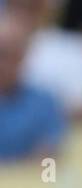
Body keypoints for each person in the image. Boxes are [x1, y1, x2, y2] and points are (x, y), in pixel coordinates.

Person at [0, 10, 66, 162]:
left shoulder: (45, 103)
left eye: (5, 54)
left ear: (22, 56)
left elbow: (47, 161)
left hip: (30, 184)